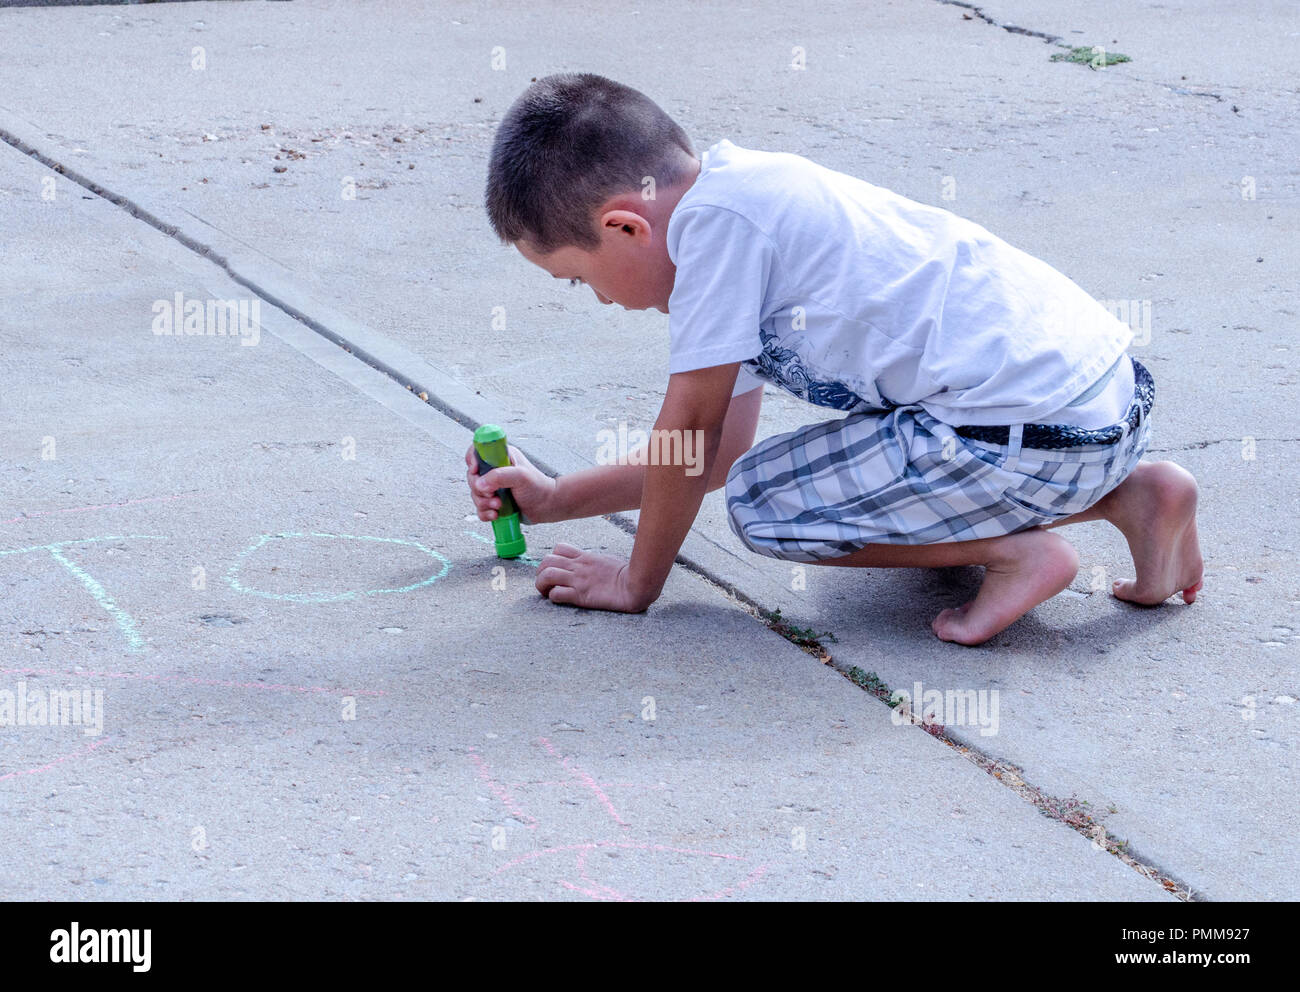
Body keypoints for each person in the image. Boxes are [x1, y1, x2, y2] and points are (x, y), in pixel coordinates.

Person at [467, 72, 1202, 645]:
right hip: (1099, 415)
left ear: (624, 226)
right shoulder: (747, 201)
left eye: (576, 278)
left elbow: (687, 436)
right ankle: (1133, 496)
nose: (596, 299)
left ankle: (1021, 556)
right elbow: (716, 449)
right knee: (775, 475)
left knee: (764, 505)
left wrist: (636, 581)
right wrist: (560, 500)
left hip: (1019, 440)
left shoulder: (715, 239)